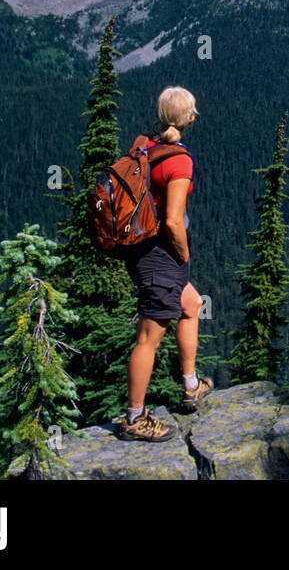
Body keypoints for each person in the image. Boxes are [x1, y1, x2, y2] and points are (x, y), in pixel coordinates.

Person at [116, 86, 213, 441]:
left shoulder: (146, 146)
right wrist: (183, 253)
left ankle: (190, 387)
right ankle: (134, 418)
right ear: (189, 119)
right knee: (148, 339)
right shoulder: (179, 160)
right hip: (160, 255)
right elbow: (173, 220)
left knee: (191, 304)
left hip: (145, 249)